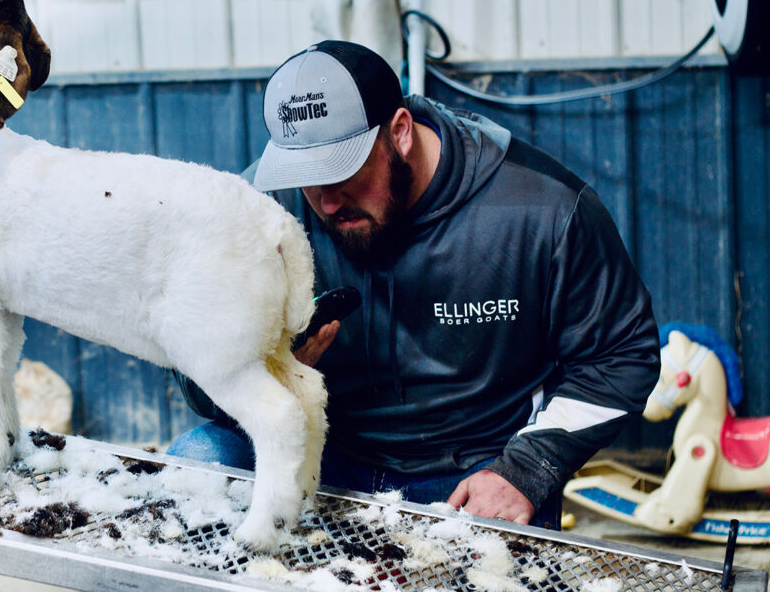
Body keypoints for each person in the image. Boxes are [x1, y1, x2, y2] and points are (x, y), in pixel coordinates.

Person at [167, 40, 660, 529]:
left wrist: (528, 469)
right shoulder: (257, 211)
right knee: (197, 463)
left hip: (471, 473)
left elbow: (620, 354)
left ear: (399, 133)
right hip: (317, 449)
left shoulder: (541, 210)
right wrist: (257, 373)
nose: (326, 203)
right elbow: (193, 365)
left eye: (341, 171)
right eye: (303, 177)